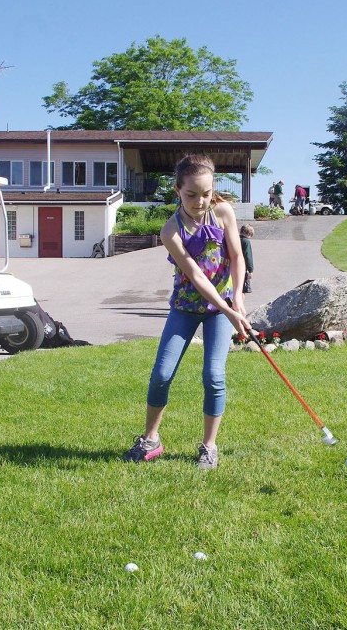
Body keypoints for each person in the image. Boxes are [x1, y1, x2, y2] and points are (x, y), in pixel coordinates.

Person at [124, 154, 251, 470]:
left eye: (206, 193)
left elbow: (237, 257)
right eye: (191, 194)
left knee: (214, 376)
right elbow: (195, 275)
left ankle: (209, 446)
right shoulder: (171, 231)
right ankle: (151, 440)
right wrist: (228, 309)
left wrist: (237, 298)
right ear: (177, 190)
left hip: (220, 310)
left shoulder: (223, 212)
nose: (200, 201)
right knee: (162, 374)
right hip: (185, 307)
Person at [239, 224, 255, 293]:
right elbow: (248, 256)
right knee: (243, 290)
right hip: (242, 267)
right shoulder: (246, 241)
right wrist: (250, 270)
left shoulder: (236, 239)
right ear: (249, 233)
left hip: (232, 266)